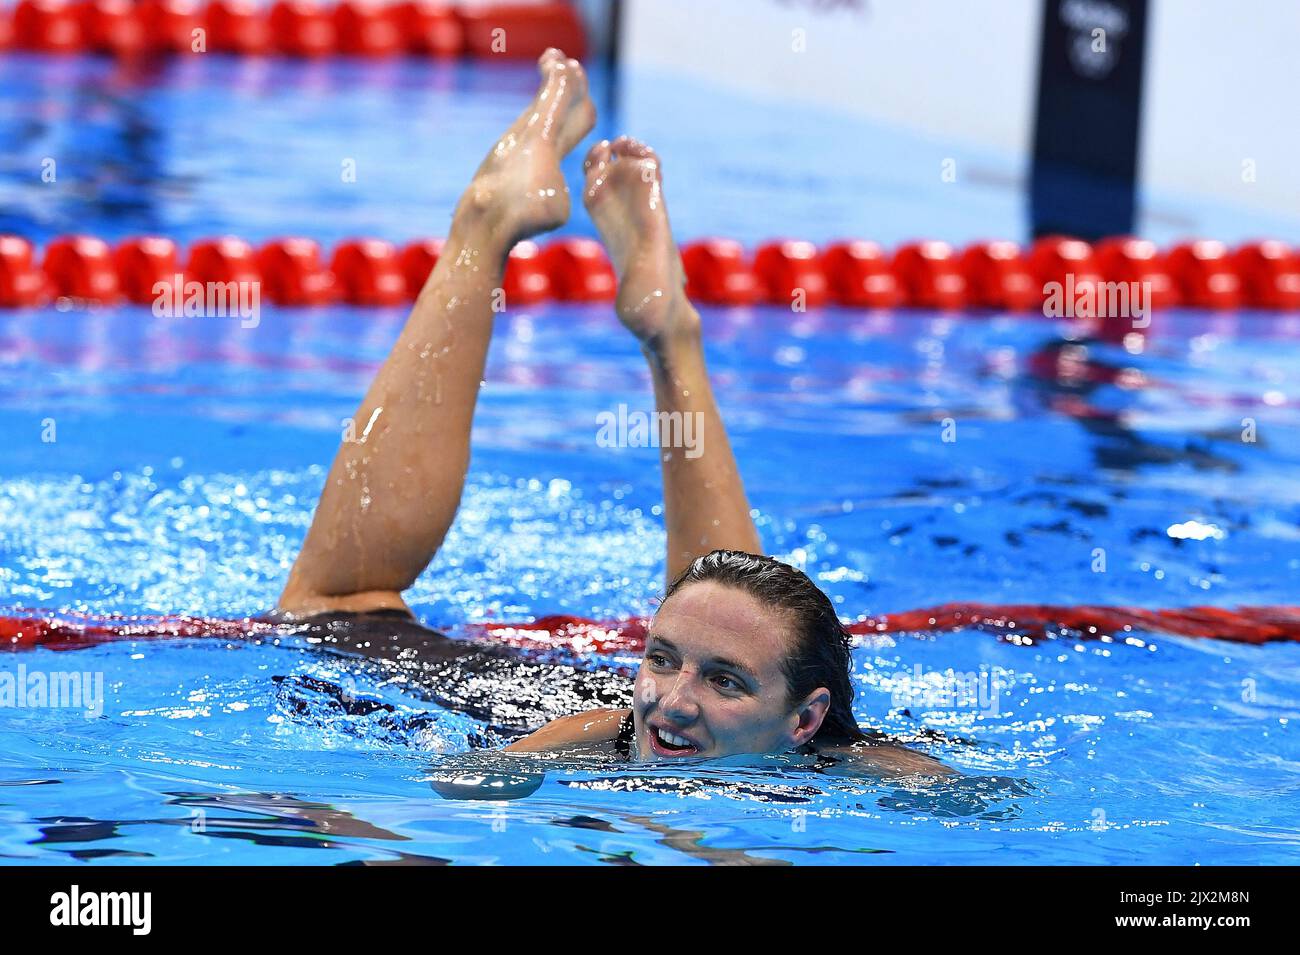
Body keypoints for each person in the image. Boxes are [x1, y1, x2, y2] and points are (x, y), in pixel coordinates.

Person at [274, 49, 950, 778]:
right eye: (660, 658)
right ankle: (498, 231)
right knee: (337, 604)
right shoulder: (651, 727)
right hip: (524, 705)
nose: (672, 703)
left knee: (336, 600)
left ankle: (655, 321)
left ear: (809, 721)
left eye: (723, 681)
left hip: (673, 733)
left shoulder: (832, 757)